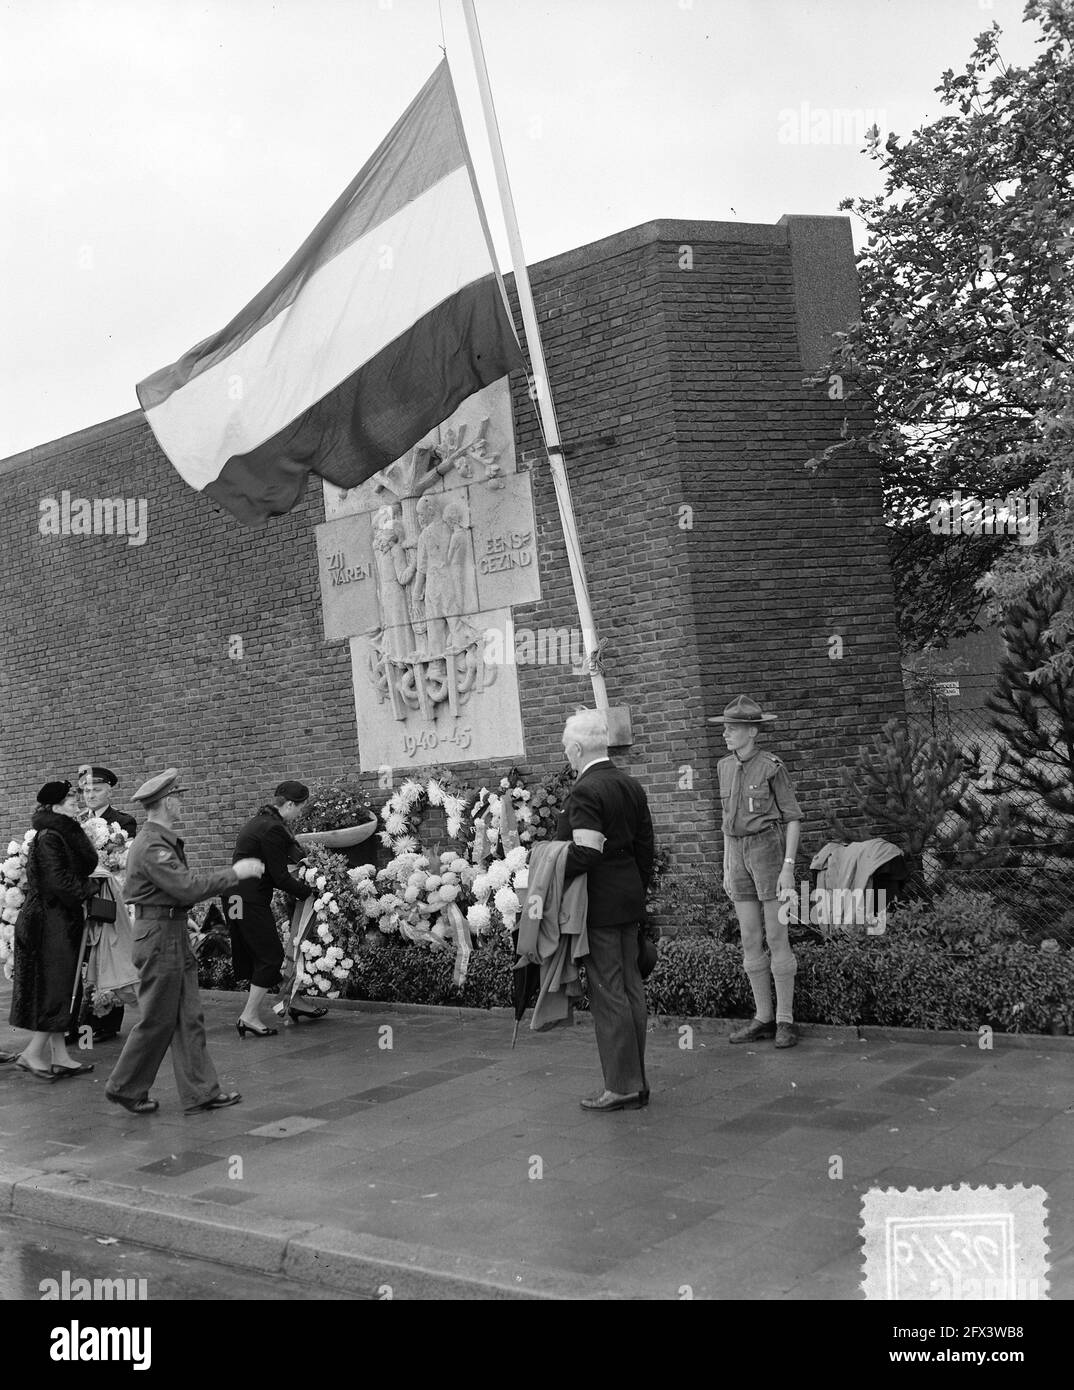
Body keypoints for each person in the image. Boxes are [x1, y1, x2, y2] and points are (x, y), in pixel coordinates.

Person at [104, 769, 264, 1115]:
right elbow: (187, 886)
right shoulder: (152, 845)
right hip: (161, 938)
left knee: (187, 1017)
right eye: (178, 797)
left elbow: (174, 891)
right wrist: (236, 873)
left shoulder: (157, 841)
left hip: (168, 931)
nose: (181, 803)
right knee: (158, 1018)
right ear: (166, 802)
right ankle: (124, 1087)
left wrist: (181, 913)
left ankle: (201, 1091)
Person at [555, 708, 656, 1112]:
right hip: (628, 899)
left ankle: (621, 1085)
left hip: (597, 906)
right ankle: (636, 1080)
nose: (567, 756)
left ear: (578, 748)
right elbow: (646, 848)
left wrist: (548, 862)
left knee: (608, 992)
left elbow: (586, 852)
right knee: (631, 989)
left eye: (567, 750)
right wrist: (635, 889)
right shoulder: (630, 785)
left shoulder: (585, 791)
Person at [710, 695, 803, 1049]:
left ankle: (785, 1020)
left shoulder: (772, 767)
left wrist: (787, 869)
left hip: (768, 850)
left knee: (777, 936)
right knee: (750, 937)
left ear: (752, 731)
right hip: (737, 852)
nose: (726, 734)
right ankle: (763, 1016)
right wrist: (725, 864)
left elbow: (793, 818)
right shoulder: (723, 766)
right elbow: (725, 823)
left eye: (731, 728)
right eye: (725, 728)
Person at [8, 781, 99, 1081]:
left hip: (58, 920)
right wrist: (88, 887)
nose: (76, 801)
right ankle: (33, 1054)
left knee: (62, 985)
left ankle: (60, 1057)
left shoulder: (58, 832)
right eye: (70, 798)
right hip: (49, 923)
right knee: (57, 987)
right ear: (55, 806)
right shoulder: (50, 836)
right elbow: (58, 882)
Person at [225, 780, 321, 1036]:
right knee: (270, 957)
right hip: (248, 899)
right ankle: (248, 1016)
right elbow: (280, 877)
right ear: (289, 804)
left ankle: (292, 1002)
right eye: (299, 807)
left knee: (259, 952)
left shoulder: (259, 821)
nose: (299, 813)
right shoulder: (273, 829)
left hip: (234, 898)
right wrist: (311, 892)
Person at [70, 764, 136, 1043]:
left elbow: (122, 859)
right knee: (86, 958)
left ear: (109, 790)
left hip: (111, 894)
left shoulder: (123, 821)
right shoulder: (76, 820)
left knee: (109, 953)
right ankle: (80, 1021)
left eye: (96, 789)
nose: (90, 795)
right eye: (86, 790)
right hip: (84, 894)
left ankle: (106, 1022)